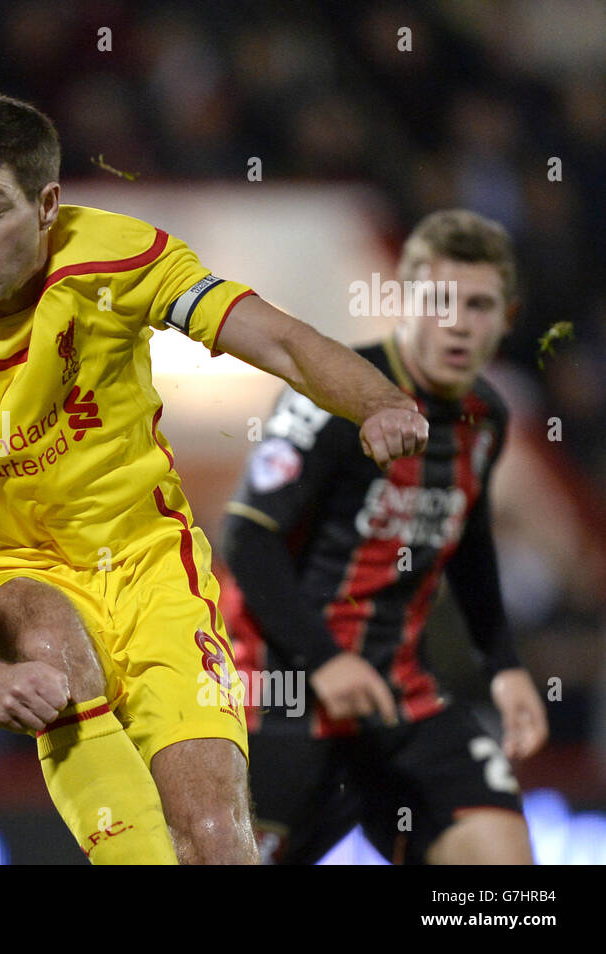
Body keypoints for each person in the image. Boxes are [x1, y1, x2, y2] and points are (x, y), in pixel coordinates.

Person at [0, 91, 429, 864]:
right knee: (48, 634)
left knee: (215, 839)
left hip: (152, 566)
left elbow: (280, 341)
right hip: (7, 574)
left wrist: (377, 401)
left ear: (47, 205)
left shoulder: (118, 258)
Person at [218, 209, 549, 864]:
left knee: (503, 875)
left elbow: (469, 545)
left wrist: (505, 668)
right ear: (406, 301)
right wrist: (324, 659)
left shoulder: (485, 417)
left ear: (507, 317)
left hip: (398, 701)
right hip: (280, 695)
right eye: (440, 302)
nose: (459, 323)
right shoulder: (335, 389)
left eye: (479, 305)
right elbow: (248, 538)